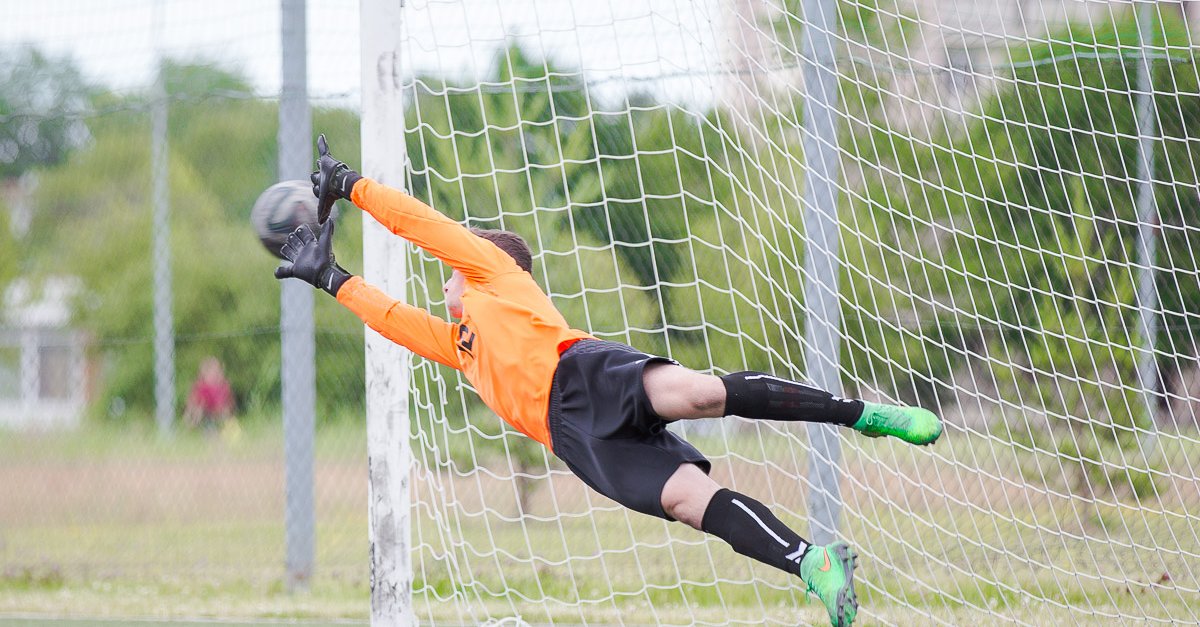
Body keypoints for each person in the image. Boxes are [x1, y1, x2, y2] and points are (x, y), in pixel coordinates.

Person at [274, 138, 943, 627]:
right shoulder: (462, 347)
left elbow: (428, 228)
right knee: (690, 500)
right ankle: (813, 563)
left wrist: (350, 183)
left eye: (458, 266)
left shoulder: (495, 278)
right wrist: (331, 278)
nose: (445, 278)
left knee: (701, 393)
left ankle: (860, 415)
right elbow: (394, 320)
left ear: (493, 264)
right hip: (577, 439)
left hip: (586, 374)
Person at [184, 356, 236, 431]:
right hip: (206, 414)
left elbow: (228, 403)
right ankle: (191, 428)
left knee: (228, 420)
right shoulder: (202, 387)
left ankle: (228, 431)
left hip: (219, 413)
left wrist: (224, 410)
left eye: (217, 372)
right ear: (204, 374)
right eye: (211, 373)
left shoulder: (223, 386)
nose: (215, 375)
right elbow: (193, 402)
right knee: (199, 412)